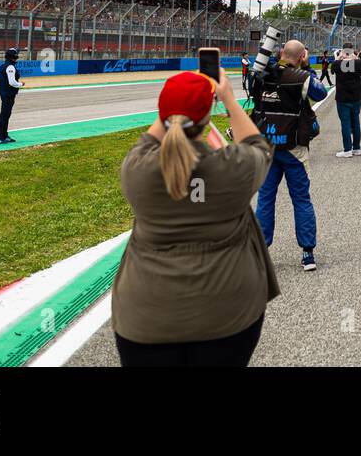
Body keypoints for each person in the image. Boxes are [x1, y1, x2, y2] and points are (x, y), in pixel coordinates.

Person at [111, 69, 279, 365]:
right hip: (226, 315)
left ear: (162, 115)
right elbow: (258, 147)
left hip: (146, 318)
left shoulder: (136, 169)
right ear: (208, 116)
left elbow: (149, 141)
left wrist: (174, 107)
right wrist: (228, 98)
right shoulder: (234, 168)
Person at [251, 40, 325, 271]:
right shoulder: (301, 77)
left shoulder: (263, 74)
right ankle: (307, 253)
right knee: (301, 199)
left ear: (281, 52)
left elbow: (252, 94)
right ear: (303, 55)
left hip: (267, 146)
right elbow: (320, 92)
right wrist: (306, 68)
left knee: (265, 199)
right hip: (293, 149)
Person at [331, 45, 361, 158]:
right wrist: (353, 56)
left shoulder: (337, 64)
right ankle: (356, 148)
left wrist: (338, 57)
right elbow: (359, 63)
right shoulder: (358, 63)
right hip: (356, 96)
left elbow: (333, 69)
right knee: (356, 122)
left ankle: (347, 149)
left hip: (343, 97)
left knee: (345, 123)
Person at [0, 47, 24, 144]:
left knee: (6, 114)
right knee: (4, 114)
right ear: (14, 57)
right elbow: (12, 82)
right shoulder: (10, 67)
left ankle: (4, 135)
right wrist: (21, 84)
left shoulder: (6, 65)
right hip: (8, 93)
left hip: (6, 93)